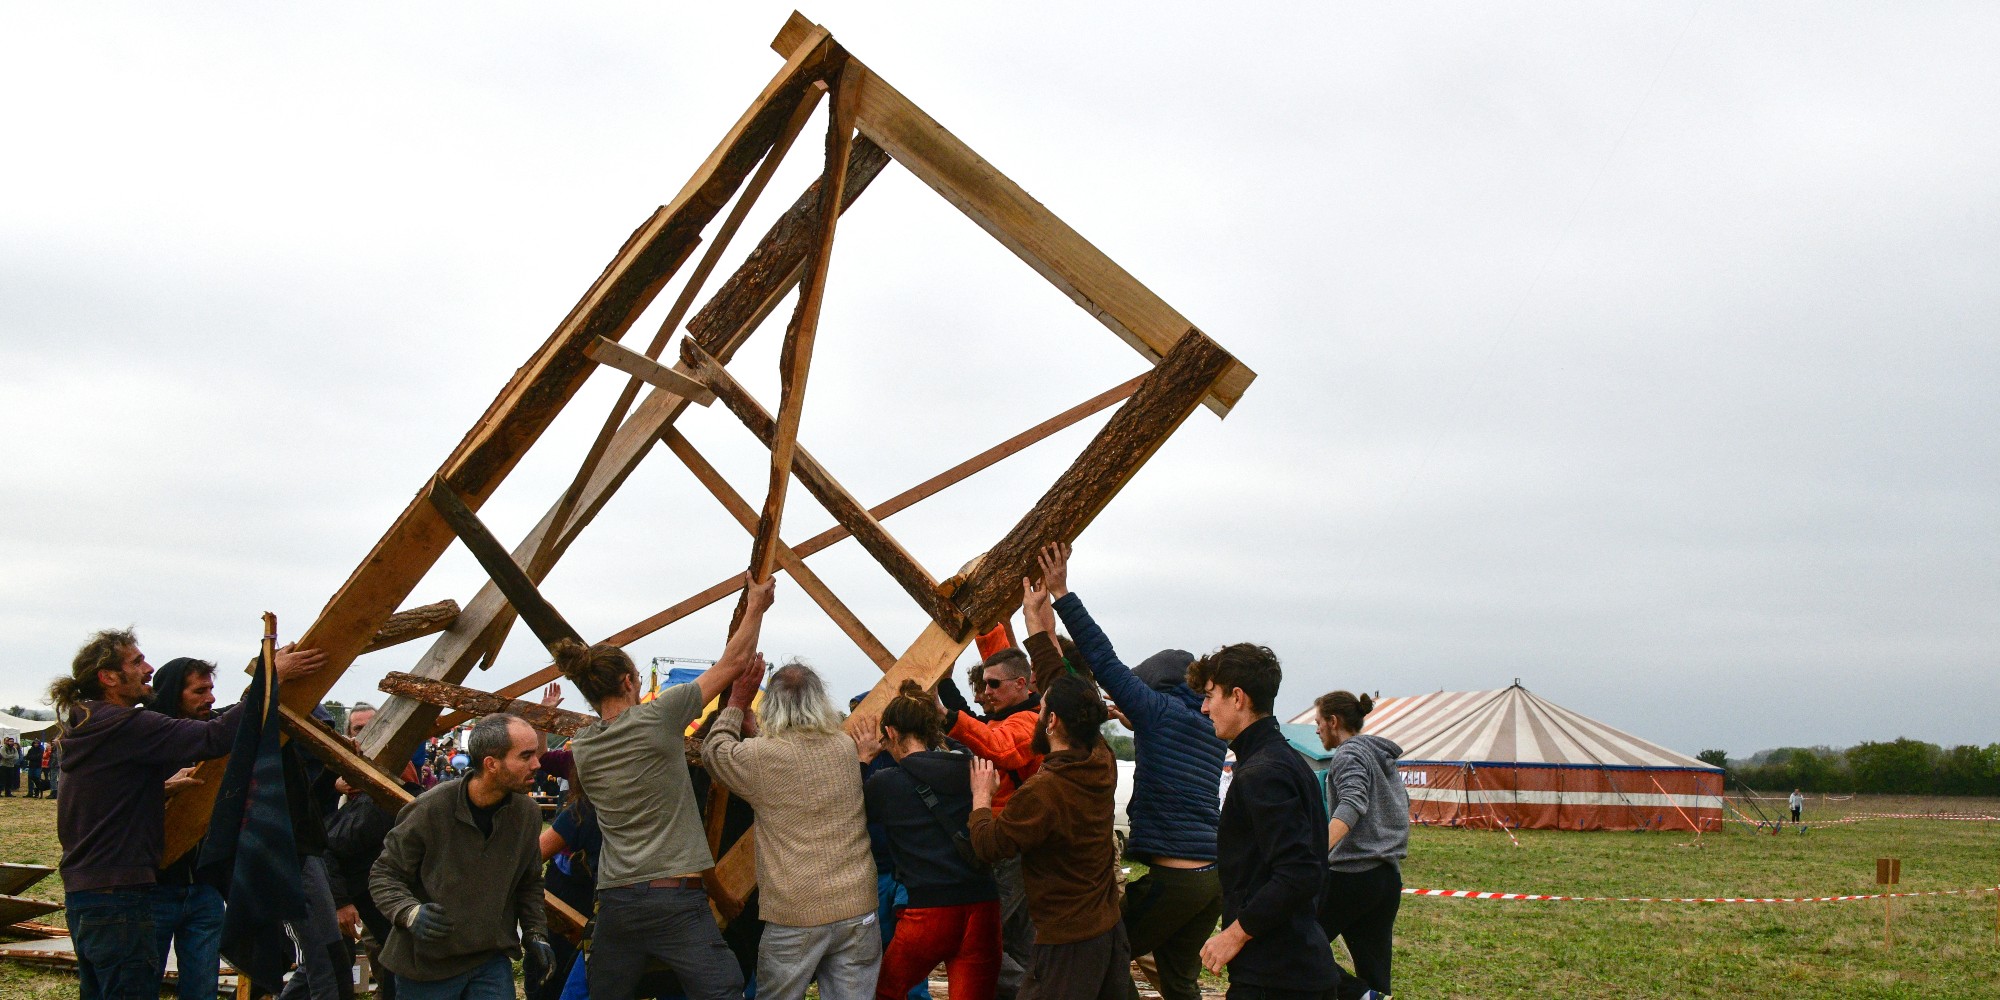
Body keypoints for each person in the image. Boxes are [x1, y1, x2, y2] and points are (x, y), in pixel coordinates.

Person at [50, 627, 326, 1000]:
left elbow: (98, 796)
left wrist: (158, 787)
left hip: (90, 895)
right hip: (121, 898)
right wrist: (271, 675)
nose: (148, 668)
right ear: (109, 677)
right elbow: (215, 738)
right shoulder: (122, 724)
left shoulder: (88, 723)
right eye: (136, 661)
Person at [559, 574, 773, 1000]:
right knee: (723, 989)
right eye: (636, 678)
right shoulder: (659, 718)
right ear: (627, 682)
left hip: (616, 902)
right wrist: (756, 607)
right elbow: (731, 664)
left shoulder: (582, 748)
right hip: (673, 899)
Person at [1030, 543, 1224, 1000]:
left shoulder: (1159, 712)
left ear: (1157, 688)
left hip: (1175, 879)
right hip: (1211, 880)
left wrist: (1061, 593)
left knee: (1107, 957)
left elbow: (1105, 661)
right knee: (1179, 980)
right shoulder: (1209, 728)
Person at [703, 657, 881, 1000]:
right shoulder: (844, 748)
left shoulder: (760, 755)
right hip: (858, 905)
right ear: (820, 700)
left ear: (770, 705)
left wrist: (738, 702)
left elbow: (714, 751)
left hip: (795, 912)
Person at [369, 713, 554, 1000]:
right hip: (427, 966)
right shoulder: (431, 809)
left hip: (489, 960)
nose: (537, 764)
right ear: (491, 764)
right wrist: (408, 911)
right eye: (526, 756)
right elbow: (384, 874)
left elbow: (529, 883)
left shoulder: (526, 814)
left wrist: (535, 934)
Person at [967, 674, 1129, 1000]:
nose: (1037, 717)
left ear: (1052, 720)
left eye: (1040, 710)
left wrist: (981, 798)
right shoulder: (1102, 759)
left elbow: (989, 846)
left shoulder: (1043, 791)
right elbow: (1066, 683)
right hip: (1107, 931)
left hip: (1067, 945)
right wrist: (1038, 627)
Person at [1190, 644, 1337, 1000]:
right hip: (1285, 966)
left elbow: (1299, 872)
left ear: (1237, 697)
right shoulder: (1278, 760)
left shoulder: (1264, 772)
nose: (1204, 707)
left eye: (1211, 696)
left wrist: (1234, 935)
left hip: (1279, 978)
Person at [937, 638, 1067, 1000]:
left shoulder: (1029, 720)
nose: (985, 691)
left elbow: (999, 748)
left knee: (978, 940)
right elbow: (981, 724)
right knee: (1018, 941)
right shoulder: (1006, 715)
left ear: (1022, 685)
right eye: (983, 683)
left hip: (1009, 847)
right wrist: (983, 626)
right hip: (1013, 844)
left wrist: (946, 716)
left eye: (994, 684)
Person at [858, 682, 1001, 1000]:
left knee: (887, 992)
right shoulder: (969, 768)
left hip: (928, 911)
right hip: (982, 905)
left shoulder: (886, 783)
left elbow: (848, 811)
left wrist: (864, 759)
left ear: (892, 733)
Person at [1313, 690, 1408, 1000]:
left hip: (1352, 876)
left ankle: (1359, 996)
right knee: (1375, 970)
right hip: (1387, 878)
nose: (1316, 730)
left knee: (1296, 944)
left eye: (1318, 722)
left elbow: (1353, 803)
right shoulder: (1381, 759)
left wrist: (1315, 850)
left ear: (1333, 721)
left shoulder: (1348, 754)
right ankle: (1373, 995)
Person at [145, 658, 229, 1000]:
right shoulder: (145, 739)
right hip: (154, 888)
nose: (209, 698)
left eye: (211, 689)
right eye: (199, 690)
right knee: (140, 986)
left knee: (202, 990)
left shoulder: (216, 735)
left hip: (205, 887)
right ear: (173, 694)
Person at [325, 707, 420, 1000]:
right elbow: (327, 847)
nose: (365, 735)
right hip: (352, 892)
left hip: (387, 897)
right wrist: (342, 901)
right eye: (358, 729)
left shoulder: (395, 781)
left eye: (372, 726)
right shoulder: (347, 790)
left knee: (393, 958)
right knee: (332, 966)